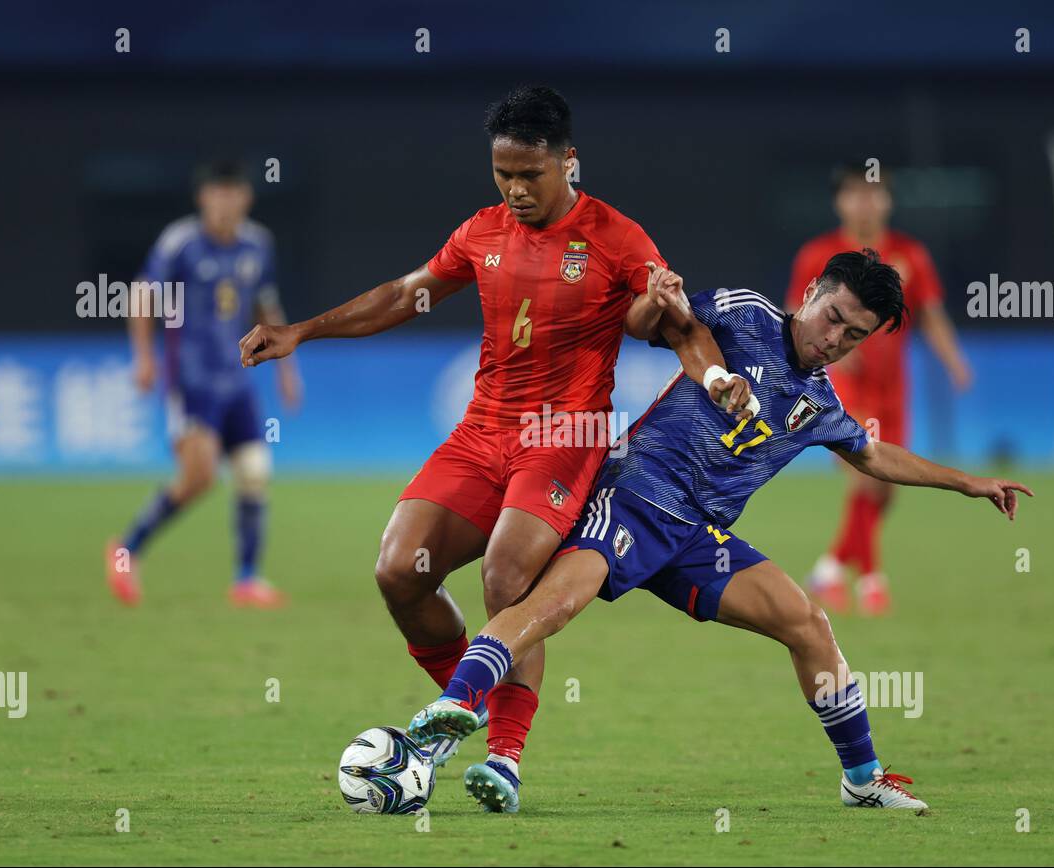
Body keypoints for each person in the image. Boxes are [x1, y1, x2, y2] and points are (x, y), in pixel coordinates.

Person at [236, 85, 751, 779]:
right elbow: (404, 292)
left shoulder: (617, 238)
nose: (514, 189)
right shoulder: (481, 233)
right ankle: (465, 699)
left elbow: (679, 325)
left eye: (529, 175)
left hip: (566, 435)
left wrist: (718, 382)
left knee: (506, 573)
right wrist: (303, 330)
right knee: (398, 569)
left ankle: (503, 759)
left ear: (568, 163)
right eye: (502, 173)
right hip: (482, 433)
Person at [409, 251, 1032, 813]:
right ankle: (458, 706)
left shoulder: (818, 402)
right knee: (552, 605)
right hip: (633, 497)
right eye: (833, 317)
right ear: (812, 290)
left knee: (807, 623)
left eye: (853, 335)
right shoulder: (746, 315)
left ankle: (862, 778)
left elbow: (870, 455)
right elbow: (665, 325)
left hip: (695, 538)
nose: (834, 338)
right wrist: (659, 297)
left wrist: (967, 482)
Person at [106, 159, 300, 607]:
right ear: (203, 198)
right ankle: (126, 550)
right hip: (191, 379)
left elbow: (266, 308)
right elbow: (141, 293)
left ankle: (247, 579)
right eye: (218, 192)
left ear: (246, 198)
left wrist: (288, 369)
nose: (226, 201)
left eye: (234, 192)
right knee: (199, 477)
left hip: (238, 378)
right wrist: (143, 358)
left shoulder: (257, 245)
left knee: (254, 472)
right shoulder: (182, 243)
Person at [787, 167, 972, 614]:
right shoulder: (819, 254)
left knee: (887, 484)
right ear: (840, 202)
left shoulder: (910, 254)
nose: (865, 203)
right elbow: (794, 309)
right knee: (866, 473)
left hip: (894, 387)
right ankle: (871, 581)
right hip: (841, 381)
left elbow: (929, 313)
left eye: (874, 194)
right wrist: (827, 344)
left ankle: (830, 569)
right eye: (855, 195)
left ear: (888, 201)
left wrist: (954, 361)